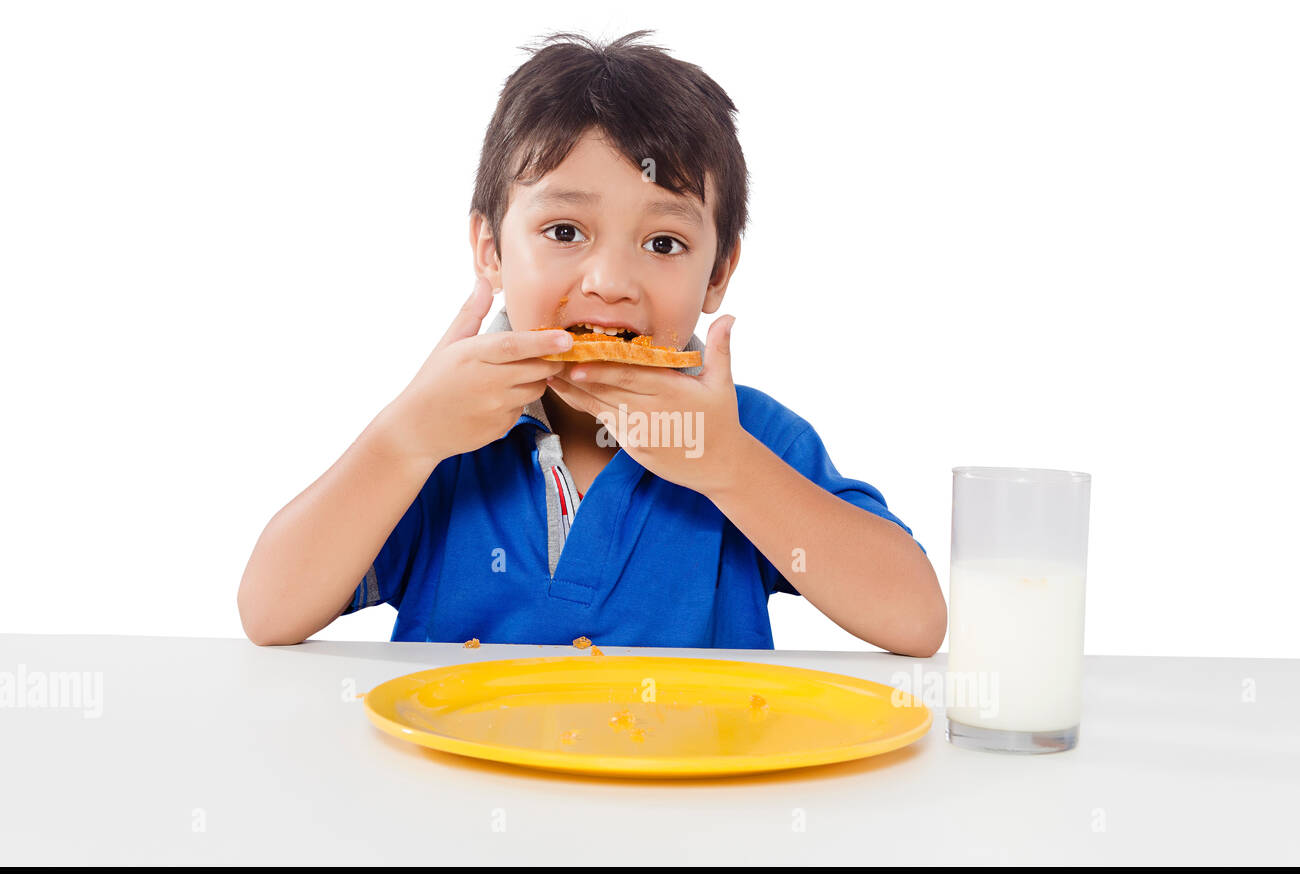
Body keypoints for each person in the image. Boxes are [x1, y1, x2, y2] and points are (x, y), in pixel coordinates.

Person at [237, 30, 946, 653]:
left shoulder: (743, 434)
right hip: (460, 800)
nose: (610, 281)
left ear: (717, 274)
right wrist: (404, 441)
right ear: (491, 251)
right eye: (565, 232)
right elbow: (270, 614)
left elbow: (915, 621)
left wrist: (729, 466)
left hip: (682, 801)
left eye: (663, 242)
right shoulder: (440, 443)